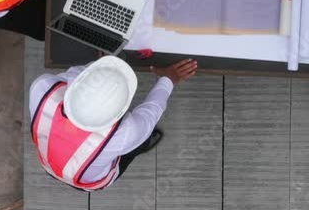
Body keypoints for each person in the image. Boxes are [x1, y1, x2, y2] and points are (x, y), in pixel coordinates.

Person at [28, 57, 198, 191]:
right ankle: (134, 150)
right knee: (138, 142)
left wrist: (101, 66)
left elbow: (78, 75)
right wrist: (168, 78)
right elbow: (152, 111)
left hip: (50, 162)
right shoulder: (125, 134)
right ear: (119, 114)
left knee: (129, 142)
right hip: (89, 181)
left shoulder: (43, 88)